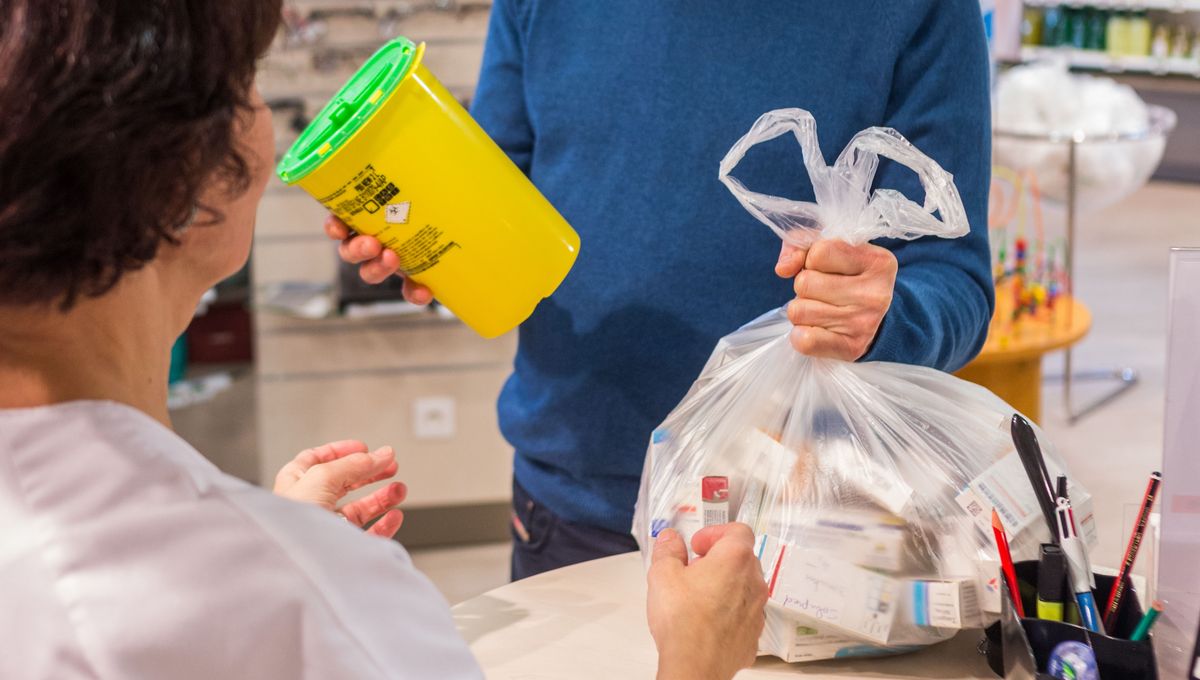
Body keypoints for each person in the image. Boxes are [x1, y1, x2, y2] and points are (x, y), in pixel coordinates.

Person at [0, 2, 767, 678]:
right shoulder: (311, 596)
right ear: (187, 175)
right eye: (247, 80)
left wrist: (279, 544)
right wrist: (697, 661)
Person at [329, 0, 996, 579]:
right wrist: (424, 239)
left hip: (806, 519)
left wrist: (884, 317)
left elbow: (957, 281)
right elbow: (493, 202)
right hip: (575, 500)